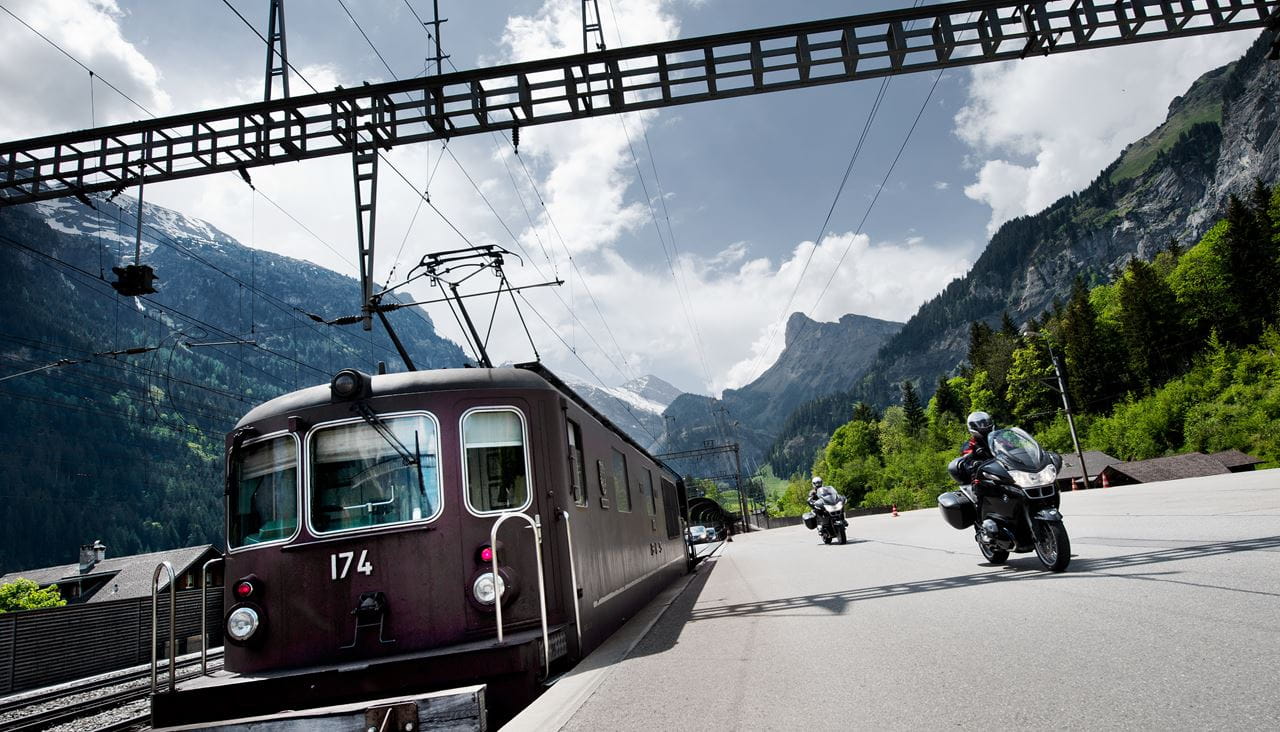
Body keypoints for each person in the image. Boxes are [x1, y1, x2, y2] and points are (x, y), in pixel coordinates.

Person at [956, 411, 996, 483]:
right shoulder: (970, 444)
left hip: (1002, 472)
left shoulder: (997, 439)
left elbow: (1010, 448)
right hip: (983, 478)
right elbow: (966, 460)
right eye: (980, 424)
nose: (984, 426)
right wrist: (975, 463)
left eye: (985, 423)